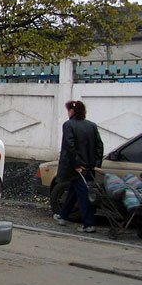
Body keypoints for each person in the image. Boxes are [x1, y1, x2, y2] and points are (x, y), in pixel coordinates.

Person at [55, 100, 104, 233]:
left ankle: (89, 224)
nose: (68, 113)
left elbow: (69, 146)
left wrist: (77, 164)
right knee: (74, 190)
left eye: (68, 110)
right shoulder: (92, 125)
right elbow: (99, 145)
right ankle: (63, 216)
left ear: (72, 111)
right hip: (89, 166)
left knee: (83, 194)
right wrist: (96, 163)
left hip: (76, 167)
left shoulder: (68, 125)